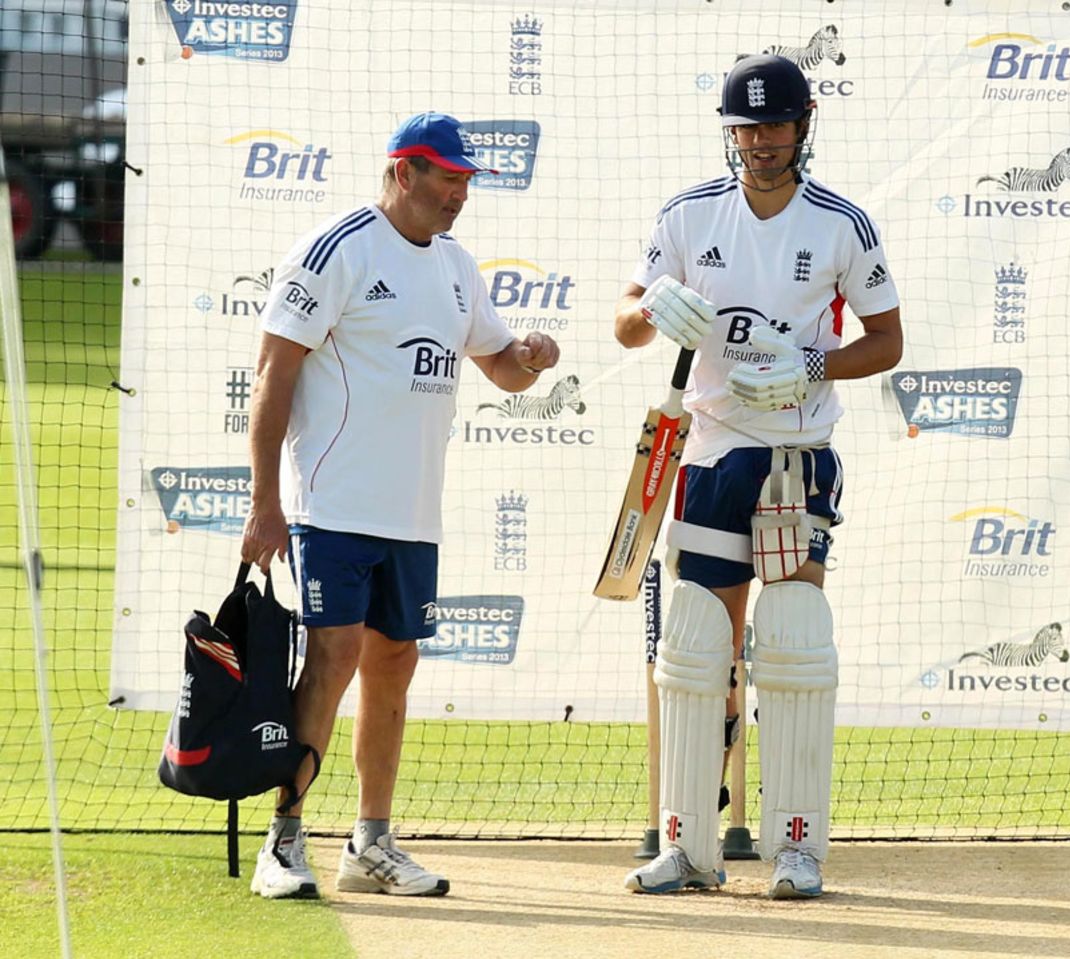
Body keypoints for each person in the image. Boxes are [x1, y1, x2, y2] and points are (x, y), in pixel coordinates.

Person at [239, 111, 560, 900]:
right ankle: (283, 841)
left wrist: (531, 358)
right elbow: (273, 373)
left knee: (395, 667)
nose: (459, 193)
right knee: (334, 657)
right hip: (334, 506)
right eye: (446, 177)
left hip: (413, 516)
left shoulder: (457, 265)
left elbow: (503, 373)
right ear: (402, 171)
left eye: (465, 180)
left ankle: (370, 843)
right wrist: (264, 502)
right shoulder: (337, 249)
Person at [616, 55, 902, 898]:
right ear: (731, 132)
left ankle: (797, 847)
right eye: (748, 127)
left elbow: (887, 342)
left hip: (795, 456)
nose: (762, 142)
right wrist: (648, 311)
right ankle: (687, 846)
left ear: (803, 126)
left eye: (776, 125)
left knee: (794, 636)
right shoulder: (687, 215)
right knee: (699, 641)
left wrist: (813, 363)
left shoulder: (841, 224)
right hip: (707, 452)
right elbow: (625, 322)